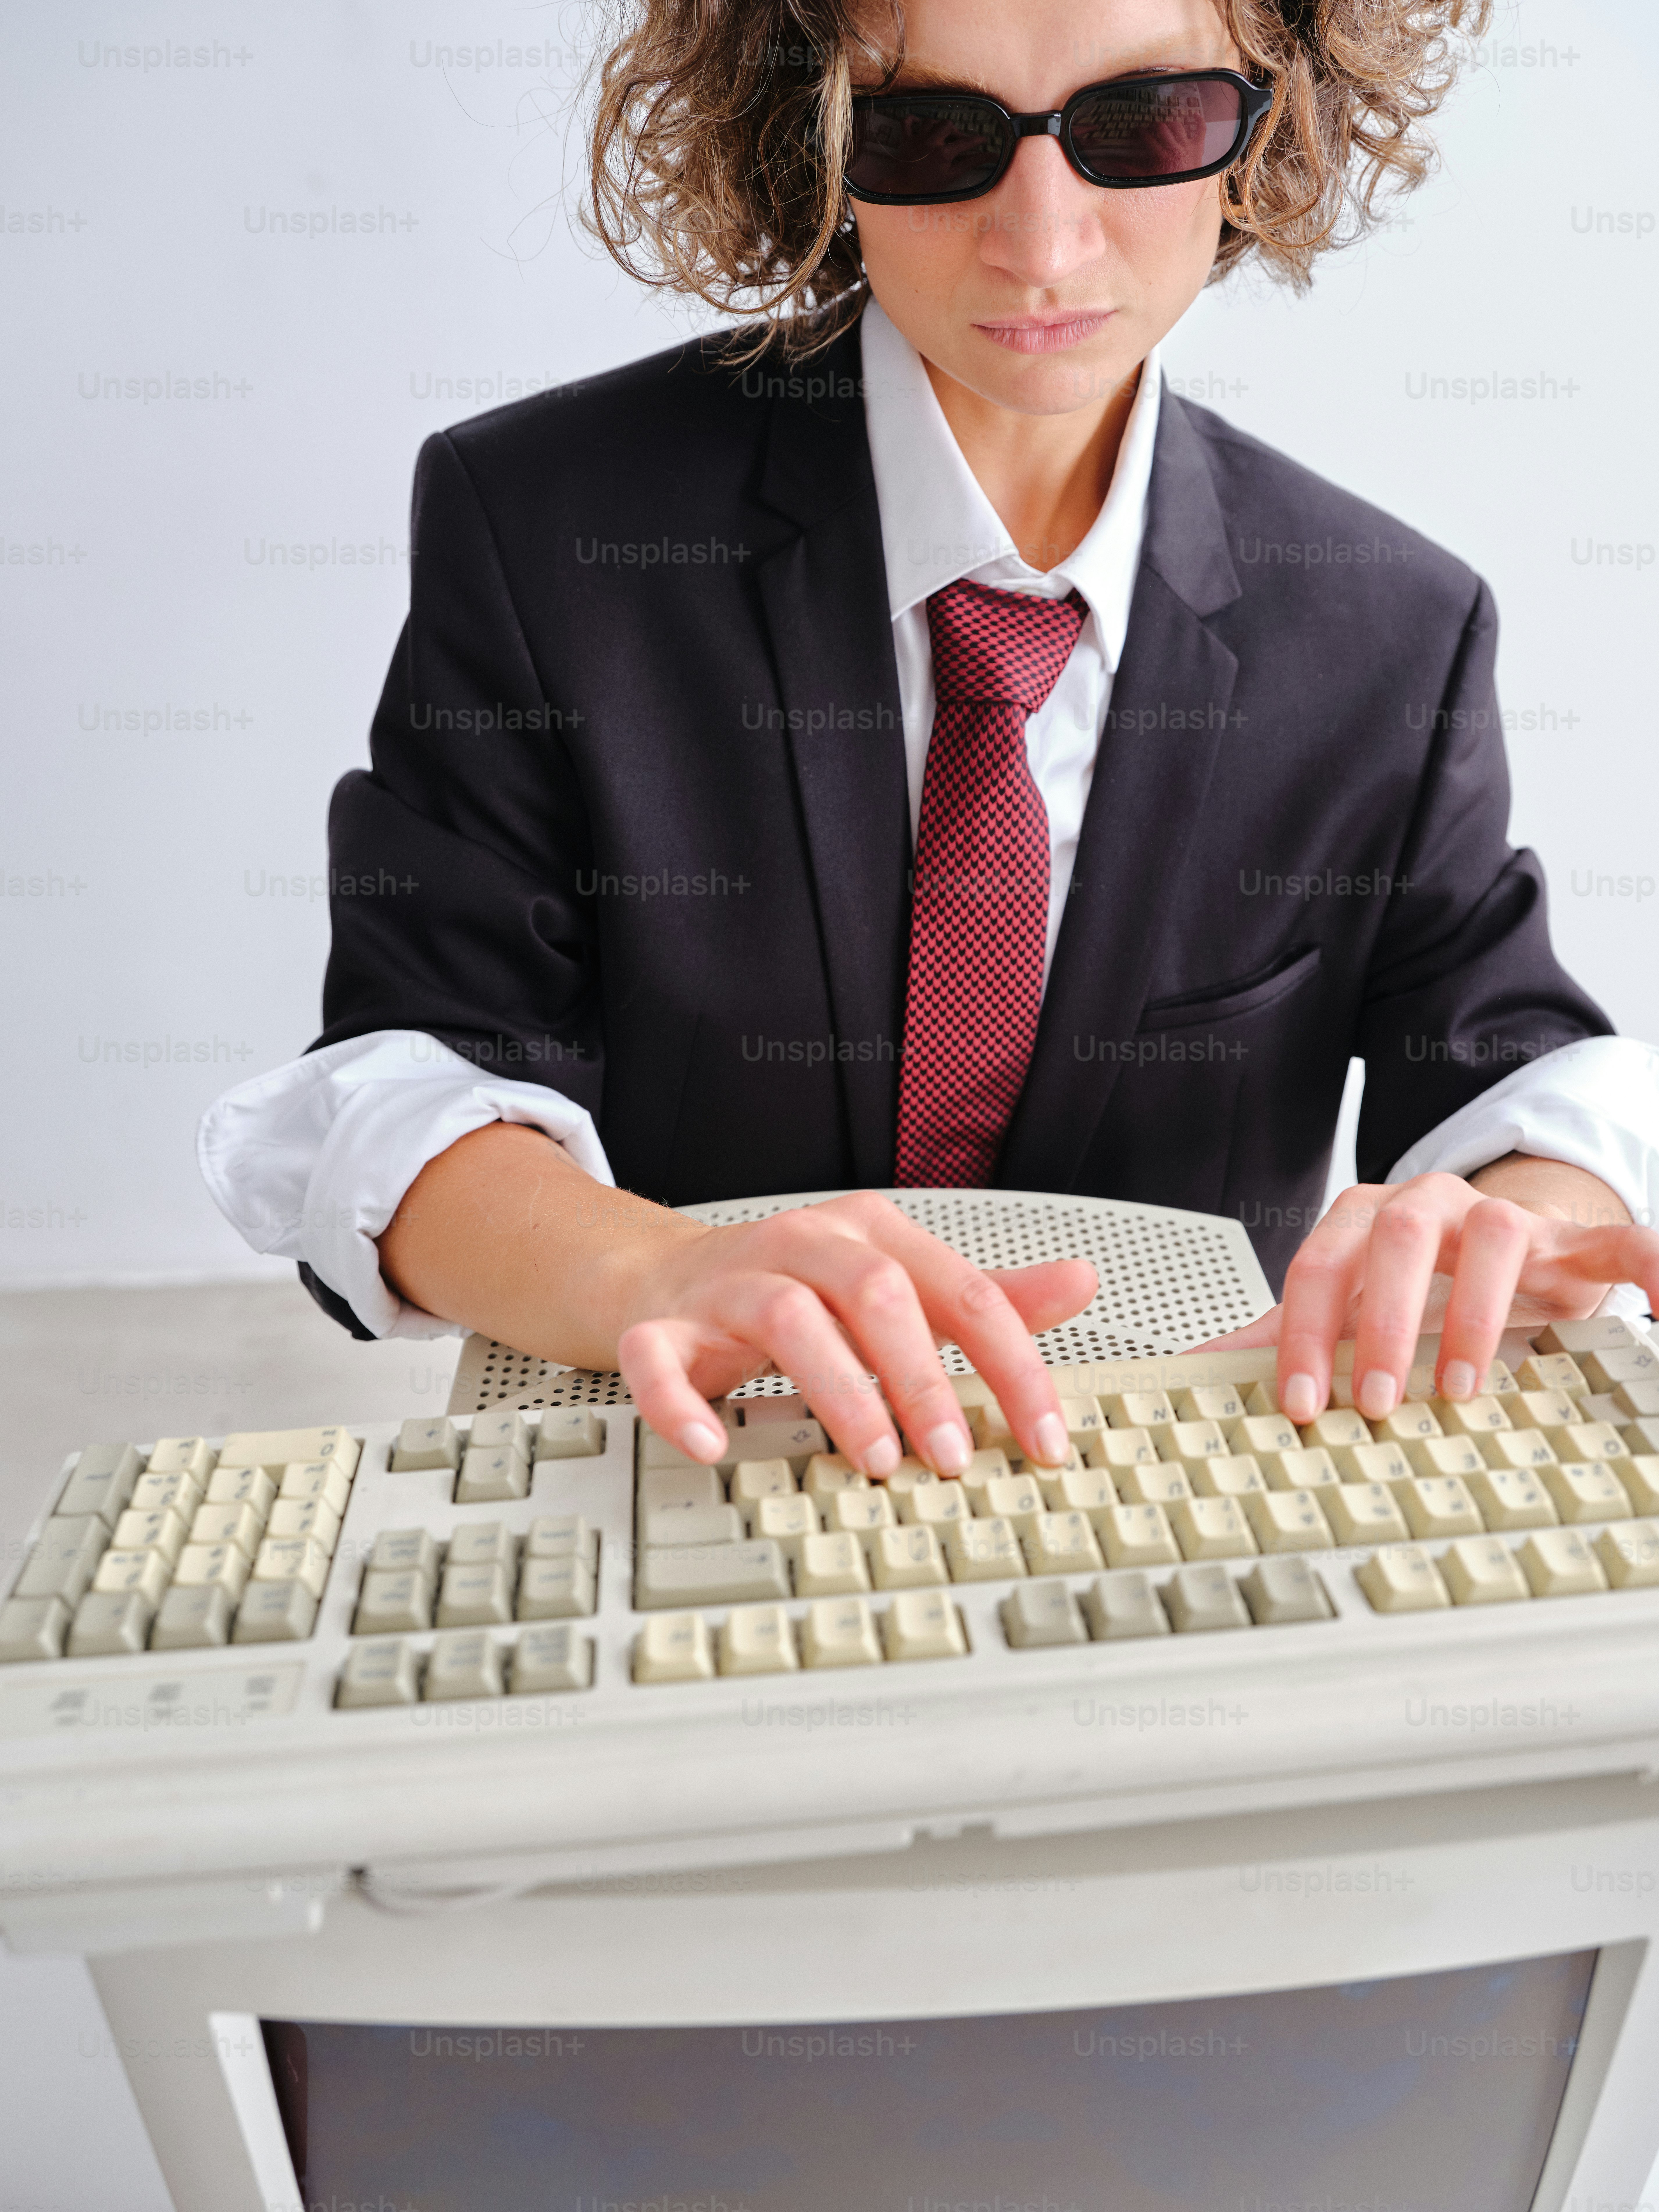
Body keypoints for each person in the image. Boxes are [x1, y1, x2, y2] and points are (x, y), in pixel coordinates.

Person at [201, 0, 1659, 1481]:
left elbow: (1511, 1068)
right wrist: (644, 1272)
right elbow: (408, 1077)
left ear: (1262, 122)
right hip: (692, 1466)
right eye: (928, 135)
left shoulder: (1391, 631)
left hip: (1178, 1502)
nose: (1041, 242)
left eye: (1142, 120)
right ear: (810, 144)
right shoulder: (547, 529)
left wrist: (1506, 1216)